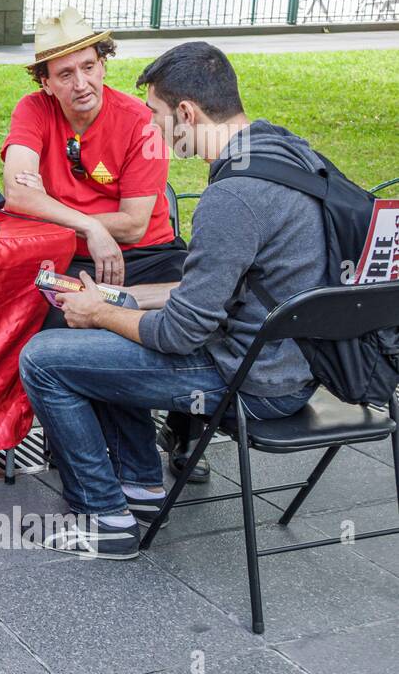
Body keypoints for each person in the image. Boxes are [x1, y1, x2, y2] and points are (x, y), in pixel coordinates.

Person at [18, 42, 326, 559]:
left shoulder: (232, 198)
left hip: (253, 383)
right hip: (300, 364)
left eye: (157, 115)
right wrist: (126, 296)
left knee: (45, 360)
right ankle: (140, 484)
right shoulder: (291, 155)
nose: (152, 128)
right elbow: (225, 289)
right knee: (102, 334)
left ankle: (104, 519)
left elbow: (180, 333)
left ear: (185, 113)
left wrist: (102, 313)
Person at [1, 6, 207, 480]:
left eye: (89, 66)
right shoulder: (33, 111)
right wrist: (91, 227)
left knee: (196, 309)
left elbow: (135, 224)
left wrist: (56, 211)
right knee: (66, 321)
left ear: (104, 63)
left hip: (151, 254)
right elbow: (16, 190)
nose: (81, 83)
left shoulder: (139, 119)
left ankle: (186, 424)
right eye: (65, 73)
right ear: (45, 82)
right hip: (71, 255)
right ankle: (85, 442)